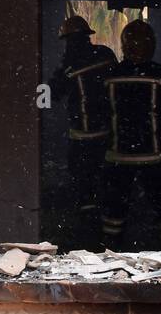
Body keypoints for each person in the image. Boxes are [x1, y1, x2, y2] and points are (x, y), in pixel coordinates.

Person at [101, 20, 161, 249]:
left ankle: (109, 252)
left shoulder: (111, 74)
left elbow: (101, 111)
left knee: (115, 211)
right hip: (155, 156)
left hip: (119, 156)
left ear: (124, 44)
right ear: (152, 45)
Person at [48, 15, 118, 247]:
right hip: (109, 135)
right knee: (107, 182)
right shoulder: (106, 55)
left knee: (83, 183)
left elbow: (53, 94)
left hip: (83, 137)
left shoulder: (70, 66)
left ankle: (89, 232)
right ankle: (109, 235)